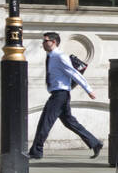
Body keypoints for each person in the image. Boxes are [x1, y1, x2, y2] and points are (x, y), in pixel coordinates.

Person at [29, 32, 103, 160]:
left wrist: (88, 90)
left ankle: (36, 151)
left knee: (45, 121)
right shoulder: (51, 56)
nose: (43, 43)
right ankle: (95, 143)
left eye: (46, 41)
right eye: (43, 41)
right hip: (59, 94)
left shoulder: (60, 56)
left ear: (54, 42)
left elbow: (74, 73)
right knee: (70, 122)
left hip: (60, 95)